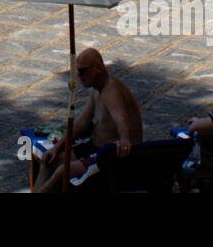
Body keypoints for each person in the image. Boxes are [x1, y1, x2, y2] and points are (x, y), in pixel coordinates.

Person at [32, 48, 143, 192]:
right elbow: (81, 123)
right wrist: (56, 148)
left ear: (98, 68)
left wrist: (125, 139)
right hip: (94, 147)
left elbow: (121, 118)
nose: (79, 75)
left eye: (83, 71)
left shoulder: (111, 90)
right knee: (49, 161)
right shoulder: (96, 90)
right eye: (78, 71)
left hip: (111, 155)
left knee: (62, 171)